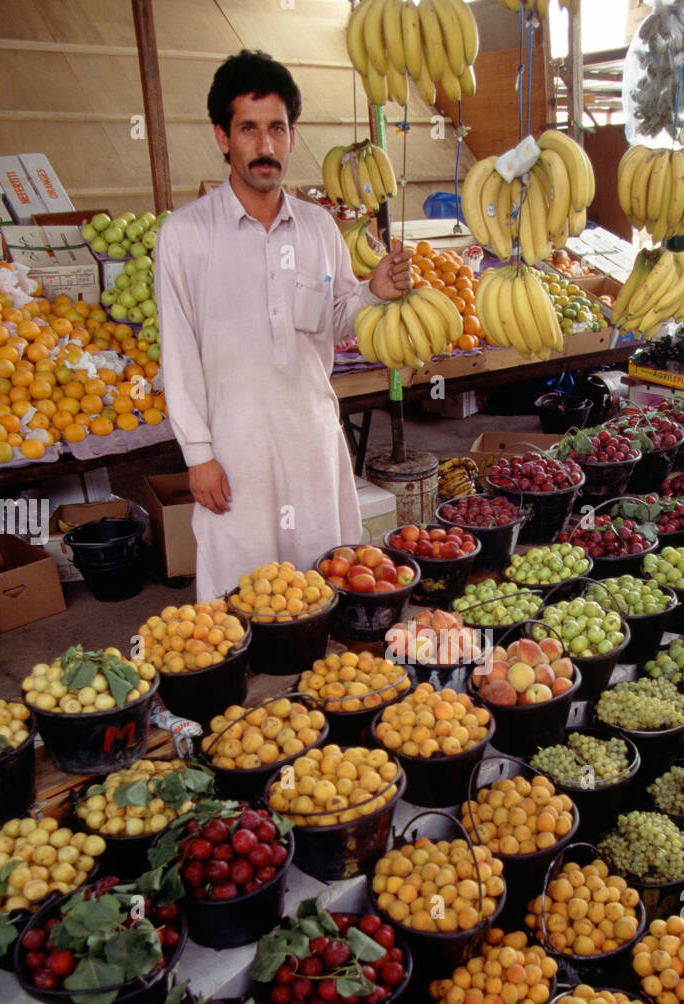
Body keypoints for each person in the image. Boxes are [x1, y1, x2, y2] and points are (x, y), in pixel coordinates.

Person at [154, 49, 411, 600]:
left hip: (312, 442)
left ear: (292, 136)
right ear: (223, 137)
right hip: (236, 452)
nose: (265, 146)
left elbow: (338, 319)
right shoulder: (186, 235)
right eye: (248, 128)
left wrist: (373, 292)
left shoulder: (319, 229)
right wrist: (198, 455)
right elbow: (176, 353)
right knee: (241, 601)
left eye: (277, 128)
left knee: (321, 587)